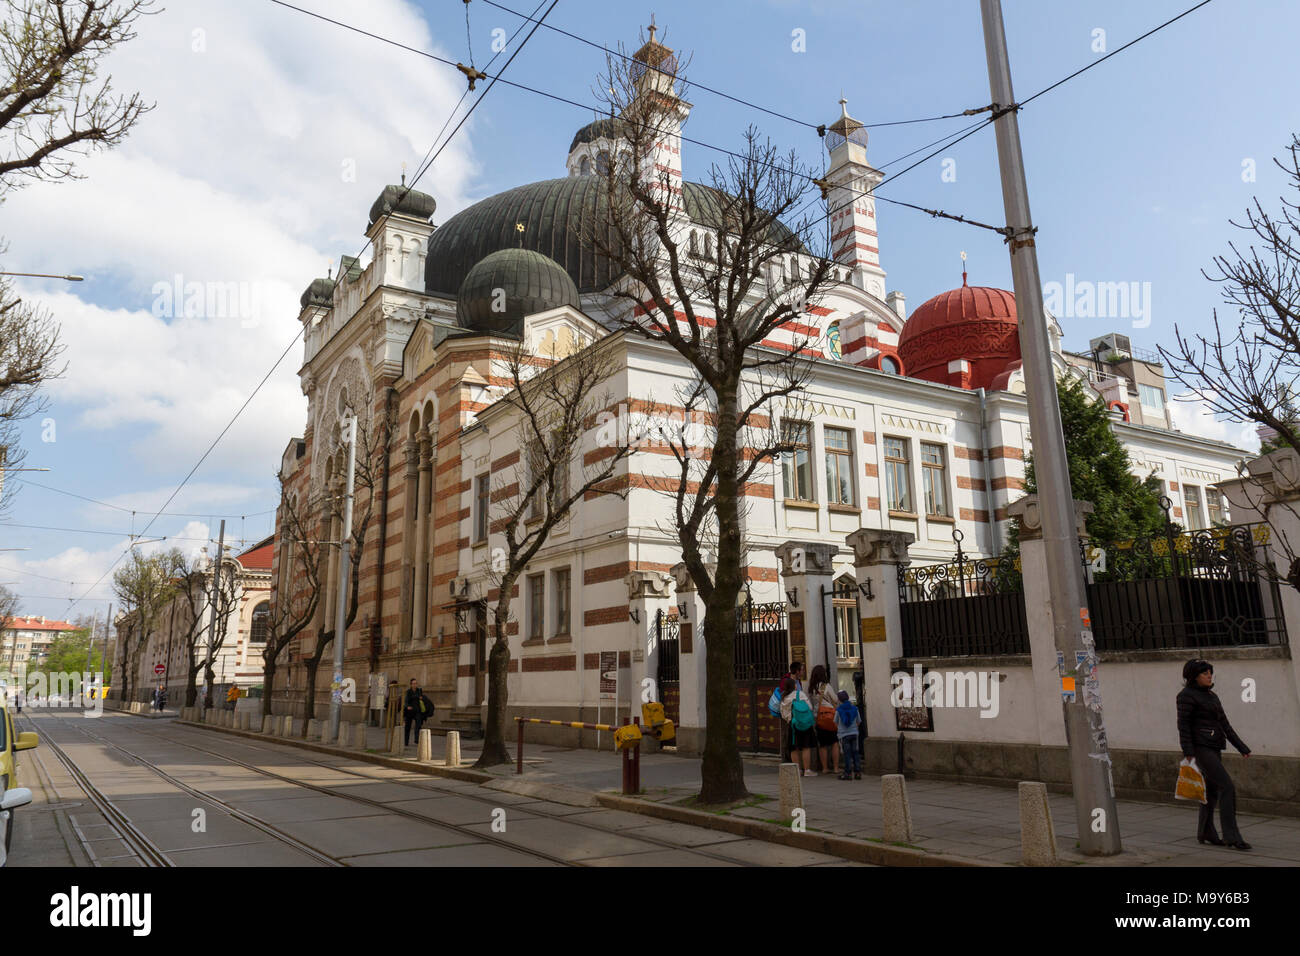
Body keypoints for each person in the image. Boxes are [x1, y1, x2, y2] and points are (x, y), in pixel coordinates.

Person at [1177, 659, 1251, 850]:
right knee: (1227, 787)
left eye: (1210, 672)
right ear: (1194, 676)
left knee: (1210, 791)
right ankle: (1232, 836)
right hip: (1200, 748)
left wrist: (1242, 747)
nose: (1209, 676)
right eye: (1205, 673)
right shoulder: (1186, 696)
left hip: (1214, 746)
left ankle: (1206, 832)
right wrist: (1189, 753)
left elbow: (1225, 724)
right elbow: (1183, 726)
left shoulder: (1212, 696)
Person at [779, 676, 818, 776]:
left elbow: (783, 714)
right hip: (804, 723)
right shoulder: (799, 694)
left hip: (792, 725)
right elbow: (809, 707)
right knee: (805, 747)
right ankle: (807, 770)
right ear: (794, 686)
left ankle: (798, 770)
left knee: (793, 748)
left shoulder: (784, 697)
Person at [808, 664, 840, 776]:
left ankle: (825, 768)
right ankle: (836, 767)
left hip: (818, 717)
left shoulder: (811, 688)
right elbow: (835, 699)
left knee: (822, 744)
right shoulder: (826, 686)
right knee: (834, 742)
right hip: (830, 717)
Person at [835, 690, 862, 780]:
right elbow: (858, 721)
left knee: (847, 754)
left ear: (839, 700)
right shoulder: (855, 708)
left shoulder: (839, 710)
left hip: (844, 735)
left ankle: (848, 773)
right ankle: (858, 772)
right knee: (855, 753)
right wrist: (853, 728)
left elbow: (835, 722)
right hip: (854, 734)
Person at [402, 678, 432, 747]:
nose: (415, 685)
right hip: (410, 711)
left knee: (418, 725)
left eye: (416, 683)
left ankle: (417, 739)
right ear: (411, 685)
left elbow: (422, 698)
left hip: (417, 710)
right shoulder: (408, 692)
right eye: (413, 683)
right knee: (407, 727)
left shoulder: (419, 690)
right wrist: (407, 706)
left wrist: (421, 698)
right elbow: (406, 701)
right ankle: (406, 742)